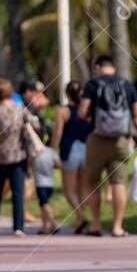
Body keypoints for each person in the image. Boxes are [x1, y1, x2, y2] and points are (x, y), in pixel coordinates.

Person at [77, 54, 137, 237]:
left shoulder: (93, 85)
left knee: (92, 182)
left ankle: (95, 225)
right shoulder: (127, 85)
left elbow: (82, 111)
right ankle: (117, 227)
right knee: (118, 183)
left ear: (97, 67)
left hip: (97, 139)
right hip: (121, 140)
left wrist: (88, 118)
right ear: (114, 67)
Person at [0, 78, 41, 236]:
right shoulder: (19, 108)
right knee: (18, 192)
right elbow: (35, 124)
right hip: (18, 155)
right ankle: (18, 227)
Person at [51, 80, 92, 231]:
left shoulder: (62, 111)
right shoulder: (88, 110)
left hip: (70, 149)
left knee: (68, 190)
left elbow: (58, 133)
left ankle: (81, 215)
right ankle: (80, 220)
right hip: (87, 149)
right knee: (82, 188)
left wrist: (52, 151)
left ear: (67, 94)